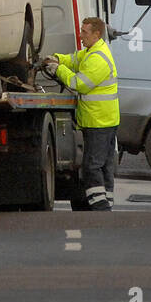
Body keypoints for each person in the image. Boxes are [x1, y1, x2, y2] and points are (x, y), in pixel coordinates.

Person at [44, 17, 119, 211]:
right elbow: (74, 59)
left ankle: (99, 205)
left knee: (92, 166)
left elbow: (79, 84)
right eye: (81, 30)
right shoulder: (91, 52)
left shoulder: (97, 58)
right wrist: (58, 59)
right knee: (104, 165)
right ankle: (106, 202)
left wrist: (58, 69)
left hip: (99, 121)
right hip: (103, 119)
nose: (80, 35)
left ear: (96, 34)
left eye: (84, 32)